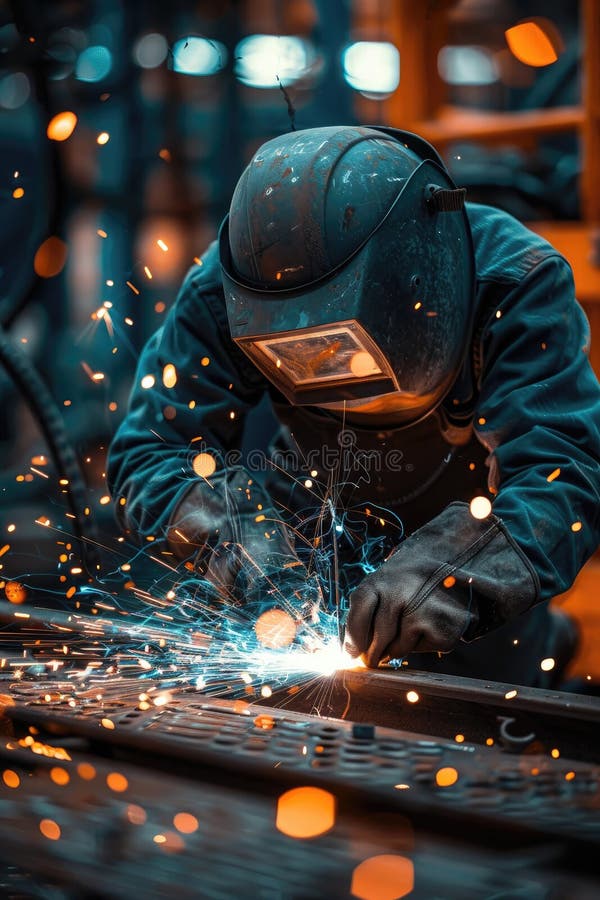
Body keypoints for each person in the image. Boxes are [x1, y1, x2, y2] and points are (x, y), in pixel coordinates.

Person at [107, 125, 600, 686]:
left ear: (418, 281)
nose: (331, 379)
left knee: (483, 708)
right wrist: (243, 543)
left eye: (338, 346)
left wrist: (454, 573)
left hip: (476, 535)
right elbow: (152, 452)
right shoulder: (223, 291)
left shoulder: (513, 282)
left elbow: (564, 474)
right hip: (309, 520)